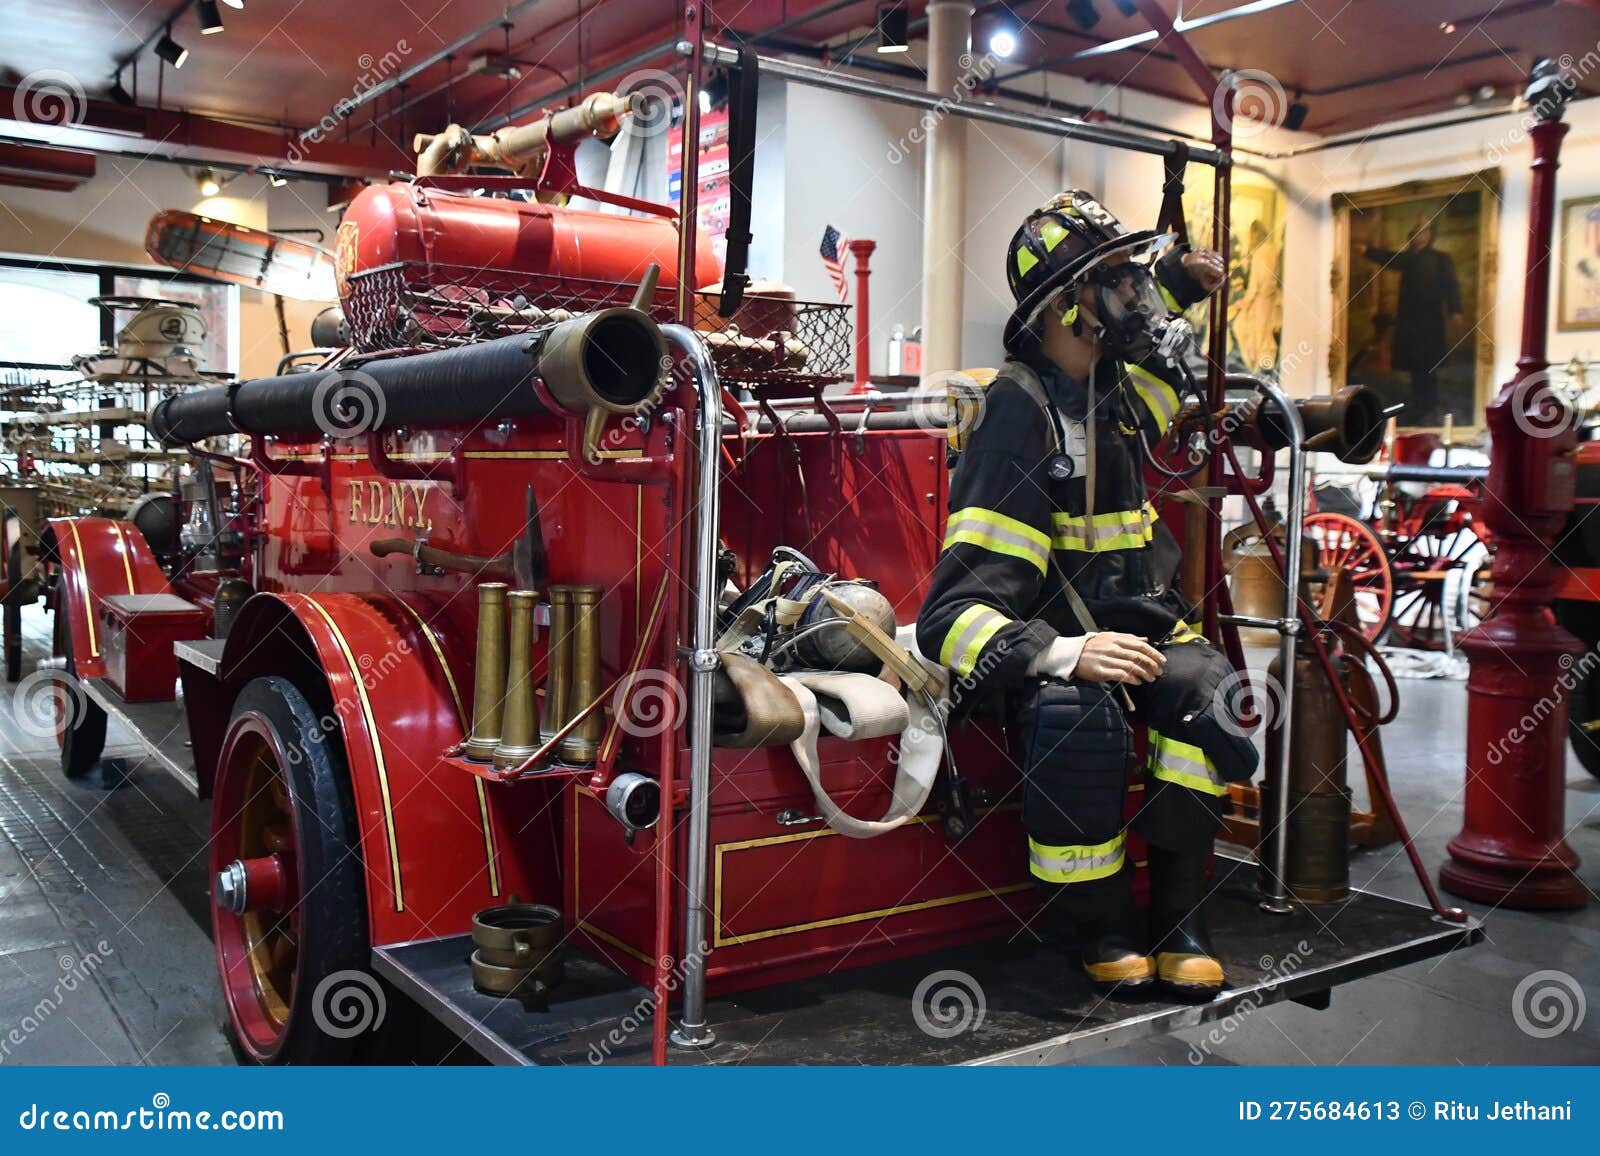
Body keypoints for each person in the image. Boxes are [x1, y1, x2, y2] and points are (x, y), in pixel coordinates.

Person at [916, 190, 1259, 998]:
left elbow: (1159, 363)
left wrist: (1175, 277)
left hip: (1147, 629)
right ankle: (1099, 924)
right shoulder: (1016, 410)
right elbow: (950, 619)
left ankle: (1180, 919)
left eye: (1130, 277)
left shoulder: (1117, 396)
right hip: (1064, 643)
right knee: (1080, 717)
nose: (1132, 295)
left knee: (1204, 689)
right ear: (1068, 305)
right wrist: (1065, 653)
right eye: (1115, 278)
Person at [1358, 214, 1463, 426]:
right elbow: (1389, 258)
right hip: (1410, 322)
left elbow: (1451, 286)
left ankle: (1429, 404)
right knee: (1416, 366)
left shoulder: (1441, 259)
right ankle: (1420, 404)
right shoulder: (1409, 258)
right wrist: (1368, 251)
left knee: (1428, 365)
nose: (1419, 237)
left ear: (1430, 236)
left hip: (1430, 322)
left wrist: (1456, 310)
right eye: (1416, 233)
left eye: (1424, 232)